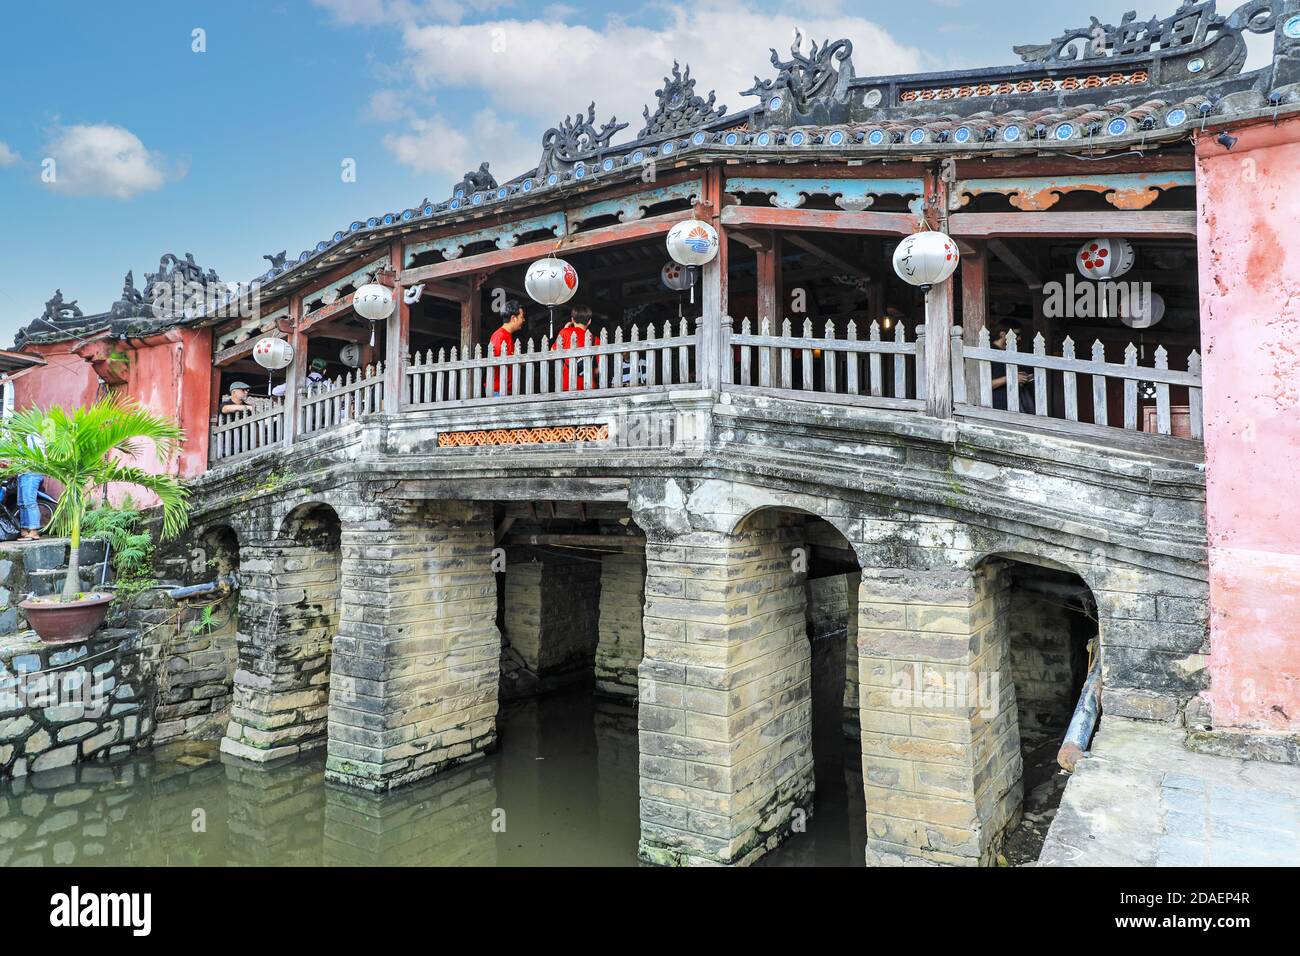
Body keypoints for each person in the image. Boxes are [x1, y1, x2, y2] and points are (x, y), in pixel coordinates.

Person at [552, 305, 600, 391]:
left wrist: (565, 329)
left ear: (572, 320)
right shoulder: (595, 340)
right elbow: (599, 369)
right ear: (589, 321)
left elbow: (552, 352)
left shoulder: (565, 332)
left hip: (568, 386)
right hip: (589, 387)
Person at [989, 321, 1034, 412]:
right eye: (1017, 334)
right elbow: (980, 385)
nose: (1019, 338)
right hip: (994, 408)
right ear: (1002, 334)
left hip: (1010, 407)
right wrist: (1011, 377)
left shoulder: (1007, 354)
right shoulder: (988, 351)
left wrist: (1020, 378)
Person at [490, 300, 526, 397]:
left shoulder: (506, 335)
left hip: (504, 389)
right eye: (521, 317)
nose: (523, 320)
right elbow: (497, 361)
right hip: (498, 390)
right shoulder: (500, 335)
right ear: (514, 318)